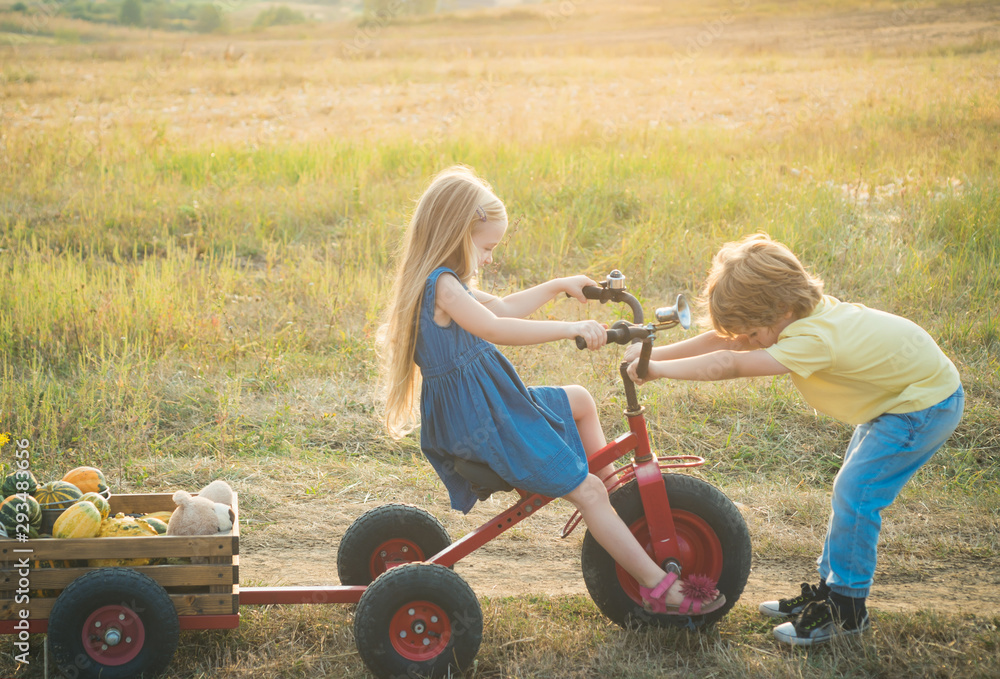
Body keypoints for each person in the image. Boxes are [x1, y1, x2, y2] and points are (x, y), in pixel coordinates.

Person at [377, 165, 725, 616]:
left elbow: (503, 306)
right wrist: (570, 328)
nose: (489, 260)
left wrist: (561, 285)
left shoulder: (442, 282)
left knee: (580, 399)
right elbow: (496, 327)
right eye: (487, 248)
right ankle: (659, 588)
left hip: (492, 409)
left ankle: (619, 508)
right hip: (483, 424)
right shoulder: (443, 286)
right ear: (457, 232)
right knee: (587, 491)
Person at [626, 233, 963, 645]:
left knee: (856, 495)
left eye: (754, 332)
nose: (749, 340)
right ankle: (830, 590)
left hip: (923, 406)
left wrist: (657, 371)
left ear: (780, 310)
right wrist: (655, 354)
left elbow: (730, 363)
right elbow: (730, 340)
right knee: (850, 493)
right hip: (902, 396)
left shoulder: (812, 339)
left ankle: (846, 612)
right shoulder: (798, 315)